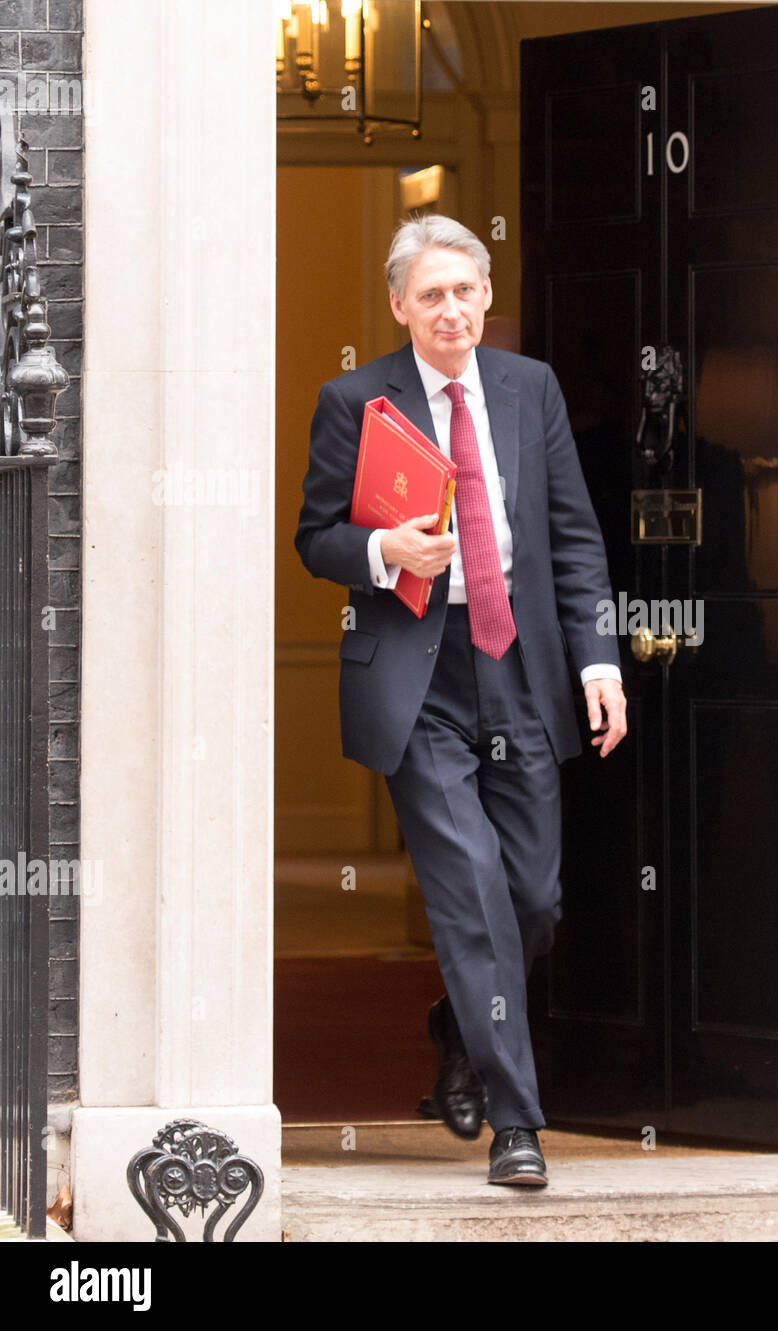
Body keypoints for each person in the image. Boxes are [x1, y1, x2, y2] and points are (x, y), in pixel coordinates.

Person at [294, 213, 627, 1186]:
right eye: (429, 294)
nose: (450, 309)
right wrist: (381, 549)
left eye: (464, 290)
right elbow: (315, 536)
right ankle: (518, 1124)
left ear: (485, 296)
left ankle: (456, 1017)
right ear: (399, 306)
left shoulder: (531, 391)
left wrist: (598, 663)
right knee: (473, 891)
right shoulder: (355, 399)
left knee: (532, 897)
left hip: (519, 667)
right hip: (419, 677)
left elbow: (573, 537)